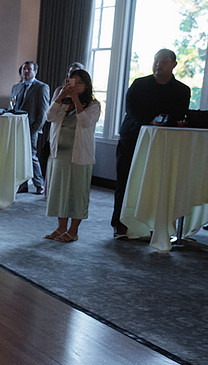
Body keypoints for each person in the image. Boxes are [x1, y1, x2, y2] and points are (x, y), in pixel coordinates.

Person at [111, 48, 191, 238]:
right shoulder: (139, 84)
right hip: (132, 138)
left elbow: (179, 114)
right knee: (125, 181)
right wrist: (150, 121)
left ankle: (153, 224)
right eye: (156, 60)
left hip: (162, 144)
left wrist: (166, 120)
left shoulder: (182, 90)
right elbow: (131, 108)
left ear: (174, 64)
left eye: (163, 60)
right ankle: (120, 224)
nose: (158, 64)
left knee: (157, 184)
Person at [44, 69, 101, 243]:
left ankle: (73, 231)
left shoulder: (94, 105)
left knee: (77, 194)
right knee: (59, 193)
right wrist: (60, 97)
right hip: (59, 155)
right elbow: (49, 117)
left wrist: (76, 100)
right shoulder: (61, 102)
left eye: (80, 83)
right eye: (72, 82)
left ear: (87, 85)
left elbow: (84, 122)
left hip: (80, 156)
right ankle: (61, 228)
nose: (75, 86)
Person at [11, 60, 51, 195]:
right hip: (15, 127)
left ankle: (39, 184)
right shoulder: (16, 87)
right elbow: (12, 107)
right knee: (18, 157)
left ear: (35, 71)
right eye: (23, 69)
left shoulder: (41, 87)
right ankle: (22, 185)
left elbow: (44, 112)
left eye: (29, 69)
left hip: (31, 128)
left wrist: (33, 130)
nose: (26, 71)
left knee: (31, 156)